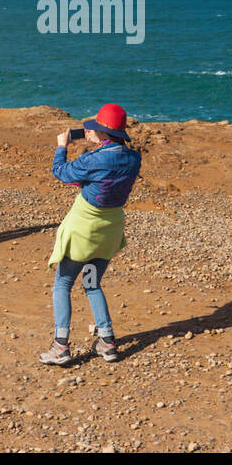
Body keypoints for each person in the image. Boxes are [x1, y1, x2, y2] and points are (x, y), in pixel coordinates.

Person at [40, 104, 141, 366]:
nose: (89, 131)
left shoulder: (93, 160)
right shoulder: (134, 158)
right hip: (108, 233)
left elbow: (60, 172)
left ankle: (60, 347)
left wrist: (61, 146)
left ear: (104, 133)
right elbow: (103, 177)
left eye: (94, 128)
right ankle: (107, 342)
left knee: (62, 284)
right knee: (91, 283)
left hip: (83, 232)